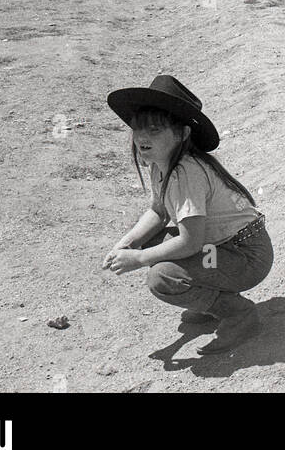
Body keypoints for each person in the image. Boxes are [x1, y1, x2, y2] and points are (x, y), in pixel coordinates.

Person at [103, 75, 273, 354]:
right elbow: (158, 212)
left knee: (162, 277)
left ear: (182, 134)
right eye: (138, 129)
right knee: (149, 242)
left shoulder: (185, 172)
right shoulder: (160, 163)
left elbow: (191, 243)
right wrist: (128, 243)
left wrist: (139, 259)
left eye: (155, 130)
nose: (143, 138)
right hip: (221, 248)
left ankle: (238, 314)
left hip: (245, 255)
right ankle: (212, 300)